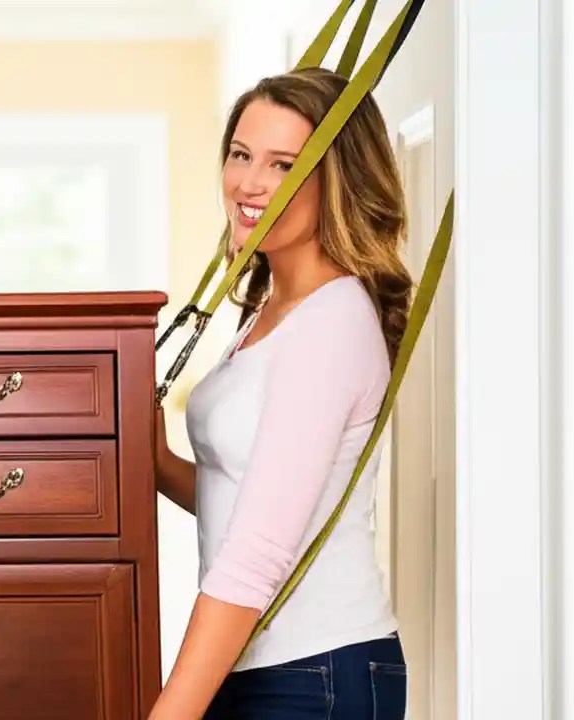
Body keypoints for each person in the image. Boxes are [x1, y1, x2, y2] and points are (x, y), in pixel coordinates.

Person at [150, 66, 413, 719]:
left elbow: (259, 548)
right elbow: (253, 493)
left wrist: (173, 710)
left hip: (315, 668)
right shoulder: (269, 308)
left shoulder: (331, 321)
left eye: (283, 164)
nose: (249, 182)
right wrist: (158, 464)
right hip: (264, 662)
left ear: (336, 180)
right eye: (241, 154)